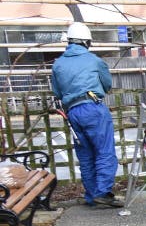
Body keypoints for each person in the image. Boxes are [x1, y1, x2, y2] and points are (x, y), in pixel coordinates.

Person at [51, 22, 123, 208]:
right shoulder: (94, 61)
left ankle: (92, 196)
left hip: (72, 112)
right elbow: (107, 85)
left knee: (86, 155)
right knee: (104, 151)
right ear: (86, 41)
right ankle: (102, 192)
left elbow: (58, 92)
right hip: (93, 108)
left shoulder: (58, 64)